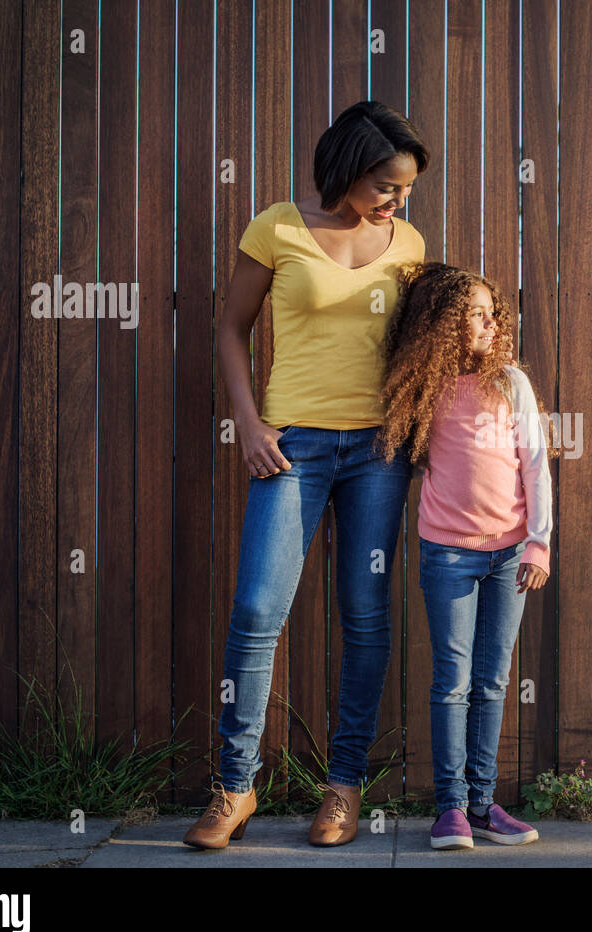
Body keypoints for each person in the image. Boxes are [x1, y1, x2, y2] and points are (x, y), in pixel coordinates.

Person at [183, 101, 428, 850]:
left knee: (364, 614)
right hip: (294, 448)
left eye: (407, 187)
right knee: (258, 608)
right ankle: (234, 786)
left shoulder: (408, 241)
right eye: (387, 184)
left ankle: (343, 787)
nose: (397, 199)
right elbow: (231, 327)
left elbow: (418, 346)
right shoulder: (278, 227)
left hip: (378, 450)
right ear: (349, 168)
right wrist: (249, 423)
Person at [376, 261, 558, 849]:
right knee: (452, 681)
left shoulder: (511, 383)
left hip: (510, 555)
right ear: (444, 321)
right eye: (473, 313)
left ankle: (483, 803)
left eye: (491, 313)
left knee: (492, 681)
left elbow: (535, 465)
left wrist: (539, 541)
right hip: (448, 555)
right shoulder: (424, 387)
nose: (487, 322)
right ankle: (450, 808)